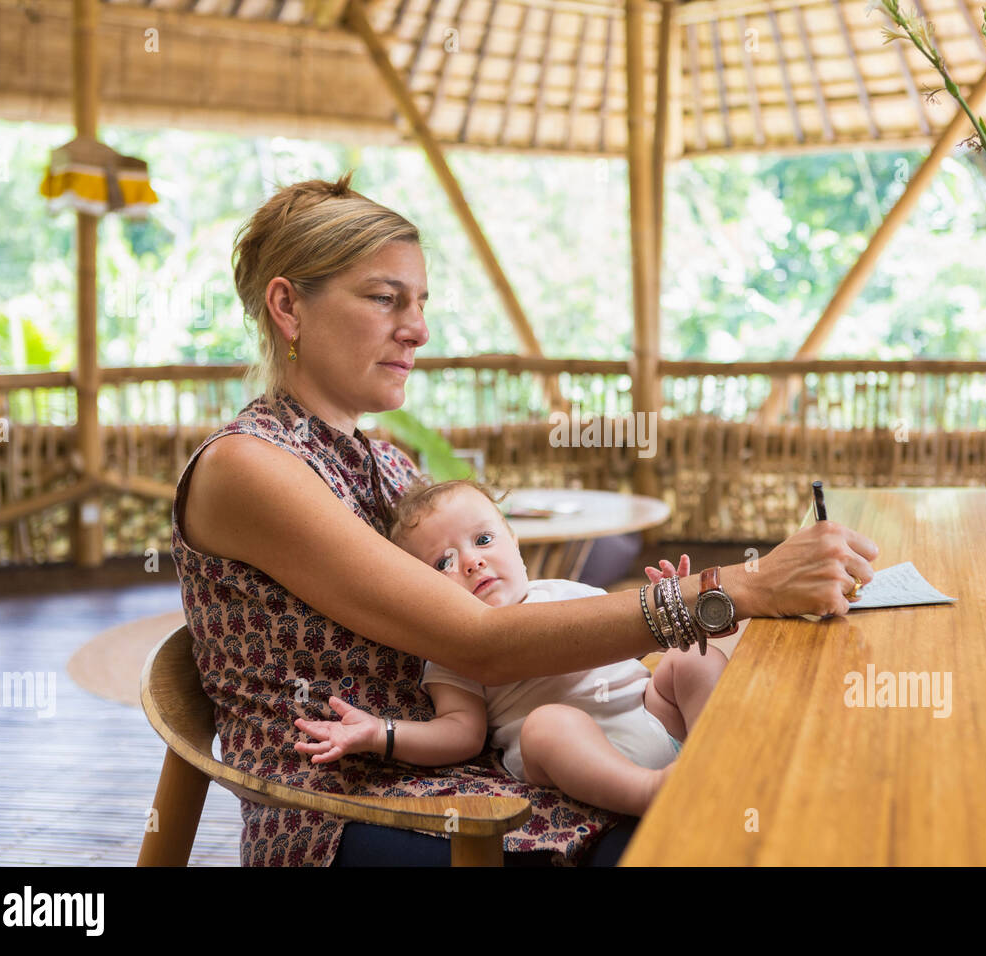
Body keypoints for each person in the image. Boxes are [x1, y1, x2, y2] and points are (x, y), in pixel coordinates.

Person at [171, 171, 879, 867]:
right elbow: (480, 643)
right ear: (288, 308)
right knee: (714, 835)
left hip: (473, 773)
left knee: (768, 808)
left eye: (419, 302)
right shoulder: (249, 467)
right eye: (386, 300)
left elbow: (504, 614)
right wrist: (735, 590)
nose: (417, 330)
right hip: (348, 810)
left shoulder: (383, 464)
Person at [293, 478, 729, 817]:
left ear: (516, 544)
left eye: (483, 540)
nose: (471, 561)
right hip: (585, 760)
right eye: (443, 562)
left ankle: (719, 749)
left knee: (690, 659)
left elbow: (628, 642)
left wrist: (674, 618)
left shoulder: (562, 590)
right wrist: (381, 733)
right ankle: (651, 793)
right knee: (548, 725)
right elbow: (462, 733)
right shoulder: (451, 647)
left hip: (655, 719)